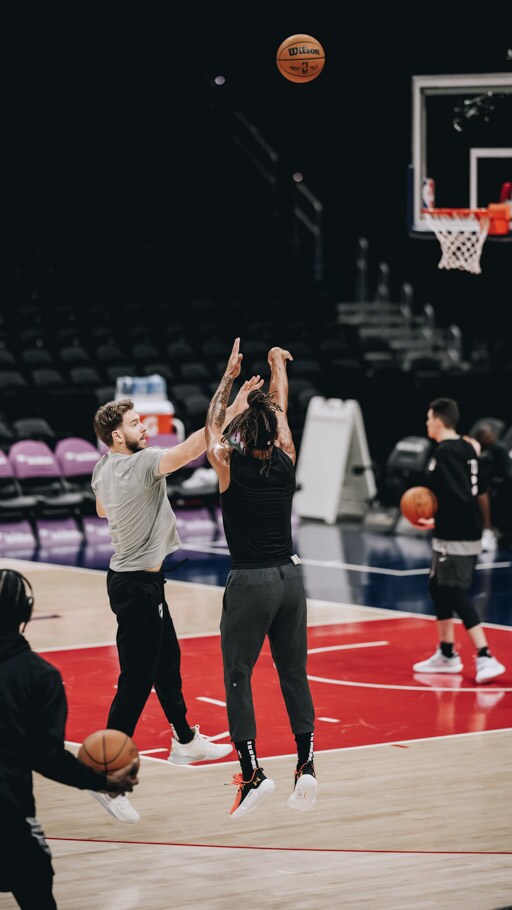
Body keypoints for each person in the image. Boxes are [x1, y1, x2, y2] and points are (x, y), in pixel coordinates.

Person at [91, 354, 260, 822]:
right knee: (135, 681)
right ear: (116, 436)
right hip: (137, 587)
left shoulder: (103, 468)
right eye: (134, 423)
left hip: (136, 581)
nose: (143, 427)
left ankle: (184, 739)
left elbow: (103, 511)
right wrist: (232, 404)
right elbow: (193, 447)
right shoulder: (143, 464)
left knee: (168, 662)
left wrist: (131, 513)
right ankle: (108, 777)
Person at [205, 339, 317, 818]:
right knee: (294, 673)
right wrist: (276, 366)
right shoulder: (287, 458)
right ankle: (306, 765)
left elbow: (212, 426)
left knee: (238, 675)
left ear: (242, 434)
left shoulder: (229, 464)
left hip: (251, 582)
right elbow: (282, 412)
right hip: (292, 579)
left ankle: (252, 773)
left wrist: (229, 379)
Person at [0, 568, 139, 910]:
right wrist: (103, 782)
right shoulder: (39, 676)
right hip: (8, 808)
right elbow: (46, 757)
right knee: (36, 894)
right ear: (26, 612)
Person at [412, 398, 506, 685]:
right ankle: (446, 654)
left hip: (456, 533)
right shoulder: (466, 447)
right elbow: (479, 487)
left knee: (452, 591)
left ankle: (486, 655)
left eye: (429, 418)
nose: (427, 423)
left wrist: (435, 520)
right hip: (459, 531)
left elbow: (460, 495)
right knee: (437, 586)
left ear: (439, 420)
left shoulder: (447, 452)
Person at [473, 421, 512, 549]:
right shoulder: (480, 451)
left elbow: (508, 474)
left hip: (502, 487)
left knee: (482, 491)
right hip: (487, 485)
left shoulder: (498, 449)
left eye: (488, 433)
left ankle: (488, 530)